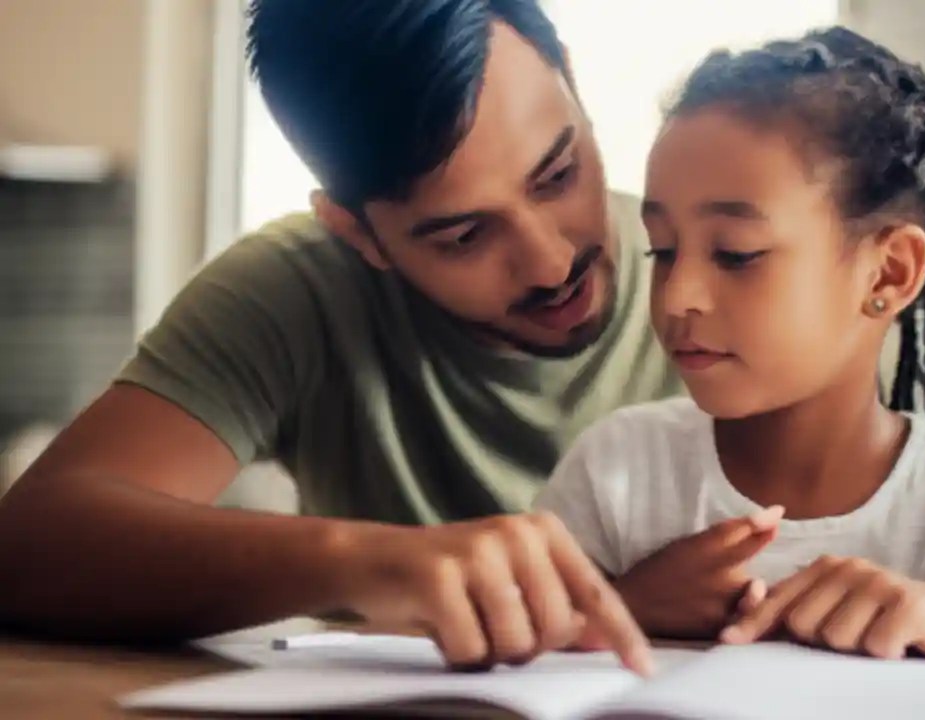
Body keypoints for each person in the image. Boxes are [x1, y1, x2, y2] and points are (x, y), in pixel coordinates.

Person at [0, 0, 689, 675]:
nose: (549, 260)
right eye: (464, 236)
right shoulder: (295, 291)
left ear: (571, 80)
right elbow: (29, 549)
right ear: (357, 233)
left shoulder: (737, 268)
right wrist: (360, 560)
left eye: (558, 176)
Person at [536, 27, 925, 660]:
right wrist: (629, 604)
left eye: (736, 255)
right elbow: (528, 655)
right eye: (663, 250)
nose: (679, 293)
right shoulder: (619, 471)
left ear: (889, 273)